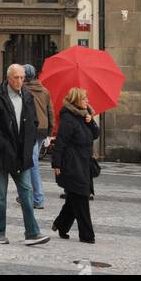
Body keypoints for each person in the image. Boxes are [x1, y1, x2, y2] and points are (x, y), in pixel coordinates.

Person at [0, 63, 50, 247]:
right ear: (8, 78)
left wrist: (29, 144)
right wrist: (2, 143)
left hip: (21, 154)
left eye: (22, 78)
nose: (20, 81)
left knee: (27, 193)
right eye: (16, 78)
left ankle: (32, 232)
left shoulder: (27, 96)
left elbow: (33, 122)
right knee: (0, 196)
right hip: (1, 155)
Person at [51, 87, 99, 245]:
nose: (87, 100)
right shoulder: (68, 119)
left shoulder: (85, 116)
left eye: (87, 98)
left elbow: (96, 134)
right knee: (82, 197)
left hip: (84, 163)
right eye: (84, 98)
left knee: (74, 198)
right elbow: (61, 143)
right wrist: (56, 164)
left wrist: (91, 121)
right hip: (72, 164)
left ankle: (61, 224)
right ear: (76, 101)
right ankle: (87, 235)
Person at [23, 63, 54, 212]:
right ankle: (27, 194)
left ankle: (37, 198)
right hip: (42, 129)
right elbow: (50, 112)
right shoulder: (45, 90)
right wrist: (49, 131)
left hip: (31, 129)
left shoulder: (24, 90)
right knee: (30, 160)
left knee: (33, 162)